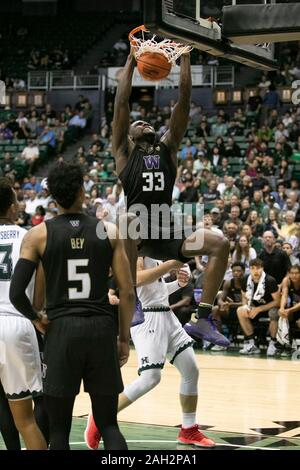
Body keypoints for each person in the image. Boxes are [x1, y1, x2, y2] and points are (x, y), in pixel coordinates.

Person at [9, 162, 135, 450]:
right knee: (109, 426)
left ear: (52, 197)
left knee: (59, 433)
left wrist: (37, 318)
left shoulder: (37, 235)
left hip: (61, 332)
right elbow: (127, 291)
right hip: (101, 330)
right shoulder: (109, 231)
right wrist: (123, 338)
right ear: (82, 191)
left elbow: (17, 293)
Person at [112, 49, 230, 346]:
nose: (144, 123)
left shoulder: (168, 147)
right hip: (136, 236)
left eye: (147, 122)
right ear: (128, 134)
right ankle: (133, 300)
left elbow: (184, 99)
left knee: (219, 243)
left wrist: (185, 58)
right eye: (137, 123)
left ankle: (202, 318)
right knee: (125, 218)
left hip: (166, 232)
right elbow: (122, 102)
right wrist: (130, 59)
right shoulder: (124, 154)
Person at [84, 257, 216, 450]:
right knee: (150, 378)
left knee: (191, 369)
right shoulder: (136, 251)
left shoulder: (154, 252)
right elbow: (136, 279)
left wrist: (177, 284)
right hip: (148, 317)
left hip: (166, 315)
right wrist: (168, 266)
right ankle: (99, 415)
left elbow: (156, 291)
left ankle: (188, 429)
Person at [0, 177, 47, 450]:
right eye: (16, 200)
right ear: (10, 207)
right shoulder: (29, 237)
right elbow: (40, 281)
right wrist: (37, 314)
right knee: (28, 416)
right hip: (18, 320)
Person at [237, 258, 280, 356]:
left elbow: (278, 302)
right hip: (254, 307)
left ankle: (273, 343)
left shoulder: (270, 281)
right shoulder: (245, 279)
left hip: (269, 307)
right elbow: (244, 296)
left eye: (258, 268)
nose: (255, 271)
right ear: (249, 269)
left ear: (262, 269)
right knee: (240, 310)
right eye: (253, 268)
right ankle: (252, 343)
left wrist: (259, 309)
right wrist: (245, 306)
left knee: (274, 313)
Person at [213, 262, 245, 351]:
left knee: (243, 310)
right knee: (215, 309)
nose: (236, 273)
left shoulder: (247, 282)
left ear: (244, 271)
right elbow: (220, 298)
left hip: (244, 310)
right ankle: (220, 341)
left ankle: (248, 342)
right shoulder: (228, 282)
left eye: (238, 271)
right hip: (231, 310)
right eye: (234, 271)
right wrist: (221, 303)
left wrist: (232, 304)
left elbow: (248, 303)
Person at [279, 265, 300, 353]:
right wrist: (282, 308)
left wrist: (290, 310)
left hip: (297, 307)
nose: (294, 275)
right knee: (282, 315)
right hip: (293, 308)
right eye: (292, 273)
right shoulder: (286, 281)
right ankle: (285, 343)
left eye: (296, 273)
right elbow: (284, 295)